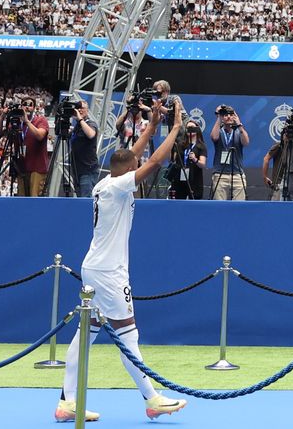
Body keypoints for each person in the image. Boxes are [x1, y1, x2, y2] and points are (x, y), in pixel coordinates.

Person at [55, 100, 188, 424]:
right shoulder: (117, 187)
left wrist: (152, 126)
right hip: (109, 274)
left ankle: (66, 402)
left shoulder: (105, 181)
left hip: (95, 268)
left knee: (85, 335)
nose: (136, 166)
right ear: (128, 173)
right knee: (128, 336)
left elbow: (135, 155)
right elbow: (153, 161)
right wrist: (174, 129)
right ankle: (152, 398)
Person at [209, 104, 249, 201]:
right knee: (219, 207)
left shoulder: (238, 131)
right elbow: (214, 137)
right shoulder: (219, 131)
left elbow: (246, 142)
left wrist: (239, 124)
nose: (229, 117)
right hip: (220, 174)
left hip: (237, 174)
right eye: (226, 115)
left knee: (239, 206)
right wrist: (219, 117)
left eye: (231, 114)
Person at [165, 120, 207, 201]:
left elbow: (202, 164)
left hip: (194, 177)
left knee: (194, 200)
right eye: (188, 128)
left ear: (197, 130)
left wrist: (195, 159)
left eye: (192, 128)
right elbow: (172, 159)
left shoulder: (201, 146)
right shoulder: (181, 144)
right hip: (180, 177)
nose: (189, 130)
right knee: (178, 200)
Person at [68, 99, 100, 198]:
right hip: (77, 170)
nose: (80, 110)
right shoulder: (77, 127)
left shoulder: (90, 123)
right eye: (77, 108)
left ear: (87, 110)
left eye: (82, 108)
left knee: (86, 199)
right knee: (80, 198)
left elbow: (91, 134)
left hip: (88, 170)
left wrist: (80, 119)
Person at [20, 103, 52, 198]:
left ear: (34, 108)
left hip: (37, 167)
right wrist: (3, 116)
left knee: (35, 198)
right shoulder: (18, 122)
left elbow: (40, 136)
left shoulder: (41, 120)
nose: (27, 107)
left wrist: (27, 122)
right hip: (21, 167)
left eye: (30, 105)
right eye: (24, 104)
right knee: (20, 198)